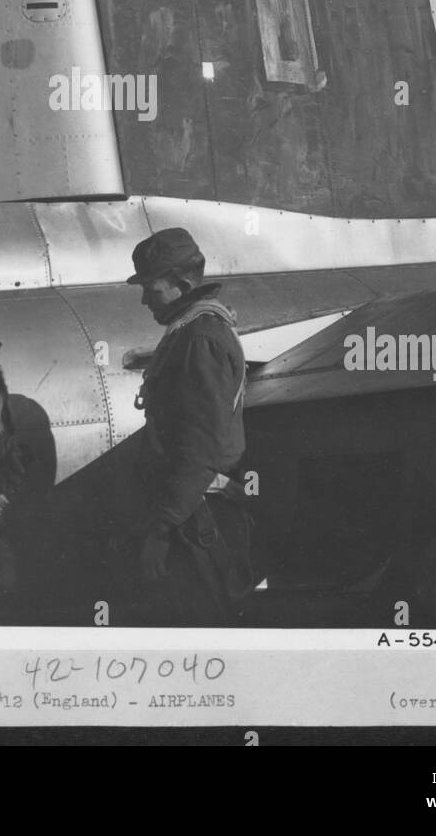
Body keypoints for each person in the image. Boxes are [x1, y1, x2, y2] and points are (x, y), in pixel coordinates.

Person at [119, 227, 253, 625]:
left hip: (196, 519)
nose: (145, 299)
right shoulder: (192, 332)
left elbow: (200, 451)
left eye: (152, 289)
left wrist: (160, 532)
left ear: (179, 284)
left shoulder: (199, 339)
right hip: (191, 512)